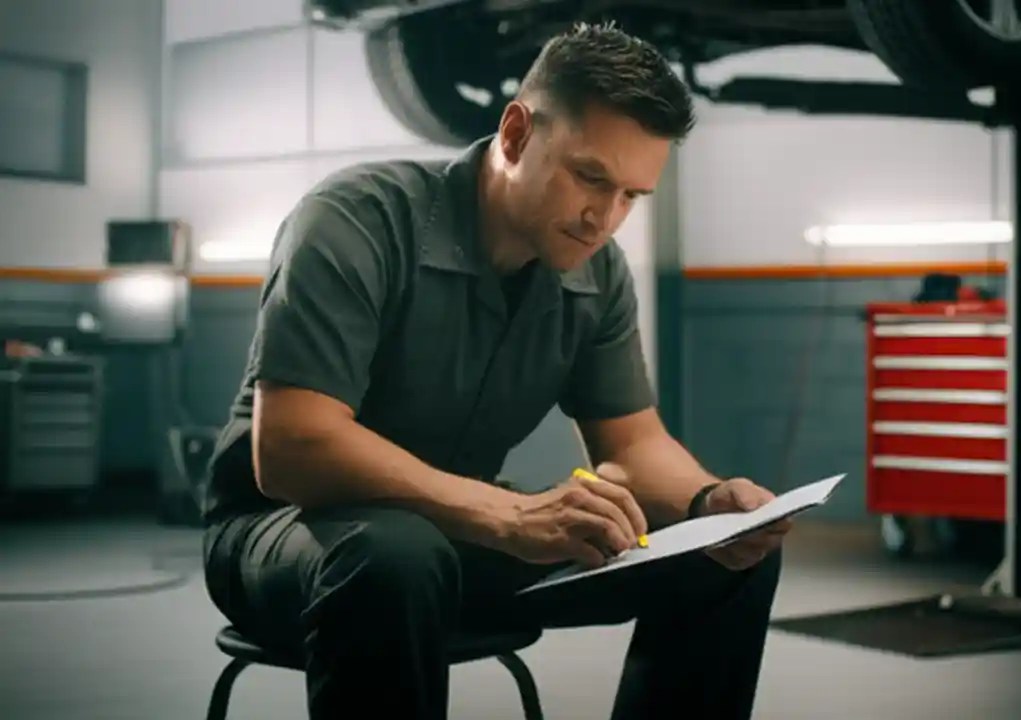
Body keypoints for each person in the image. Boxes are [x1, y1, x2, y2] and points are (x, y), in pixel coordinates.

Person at [201, 20, 793, 720]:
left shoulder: (597, 272)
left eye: (632, 195)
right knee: (396, 555)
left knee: (726, 559)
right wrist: (508, 514)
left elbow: (631, 446)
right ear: (515, 134)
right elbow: (293, 449)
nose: (604, 217)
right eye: (590, 177)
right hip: (288, 533)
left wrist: (706, 501)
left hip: (460, 532)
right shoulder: (355, 218)